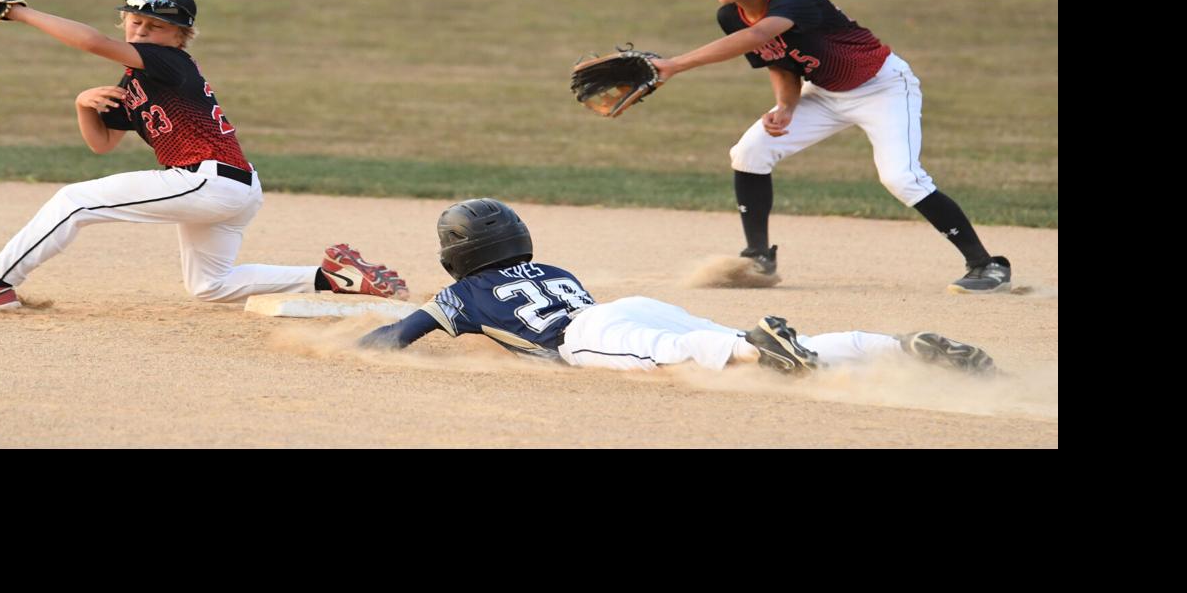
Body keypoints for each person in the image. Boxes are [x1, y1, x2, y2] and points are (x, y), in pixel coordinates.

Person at [0, 0, 406, 311]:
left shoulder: (169, 61)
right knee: (210, 286)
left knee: (74, 200)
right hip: (232, 188)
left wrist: (18, 12)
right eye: (135, 21)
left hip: (206, 179)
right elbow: (103, 144)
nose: (141, 31)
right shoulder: (136, 79)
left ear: (180, 36)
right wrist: (82, 105)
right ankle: (332, 277)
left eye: (155, 26)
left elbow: (92, 42)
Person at [645, 0, 1012, 294]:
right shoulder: (730, 15)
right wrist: (786, 106)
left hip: (882, 88)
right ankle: (758, 258)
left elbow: (759, 35)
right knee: (750, 152)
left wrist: (675, 64)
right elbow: (779, 62)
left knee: (902, 178)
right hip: (823, 92)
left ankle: (987, 266)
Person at [357, 199, 996, 377]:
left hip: (587, 337)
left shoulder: (457, 297)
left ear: (456, 254)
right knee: (737, 340)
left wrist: (346, 346)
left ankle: (757, 348)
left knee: (678, 354)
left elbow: (395, 337)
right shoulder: (556, 272)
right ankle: (894, 346)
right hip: (629, 308)